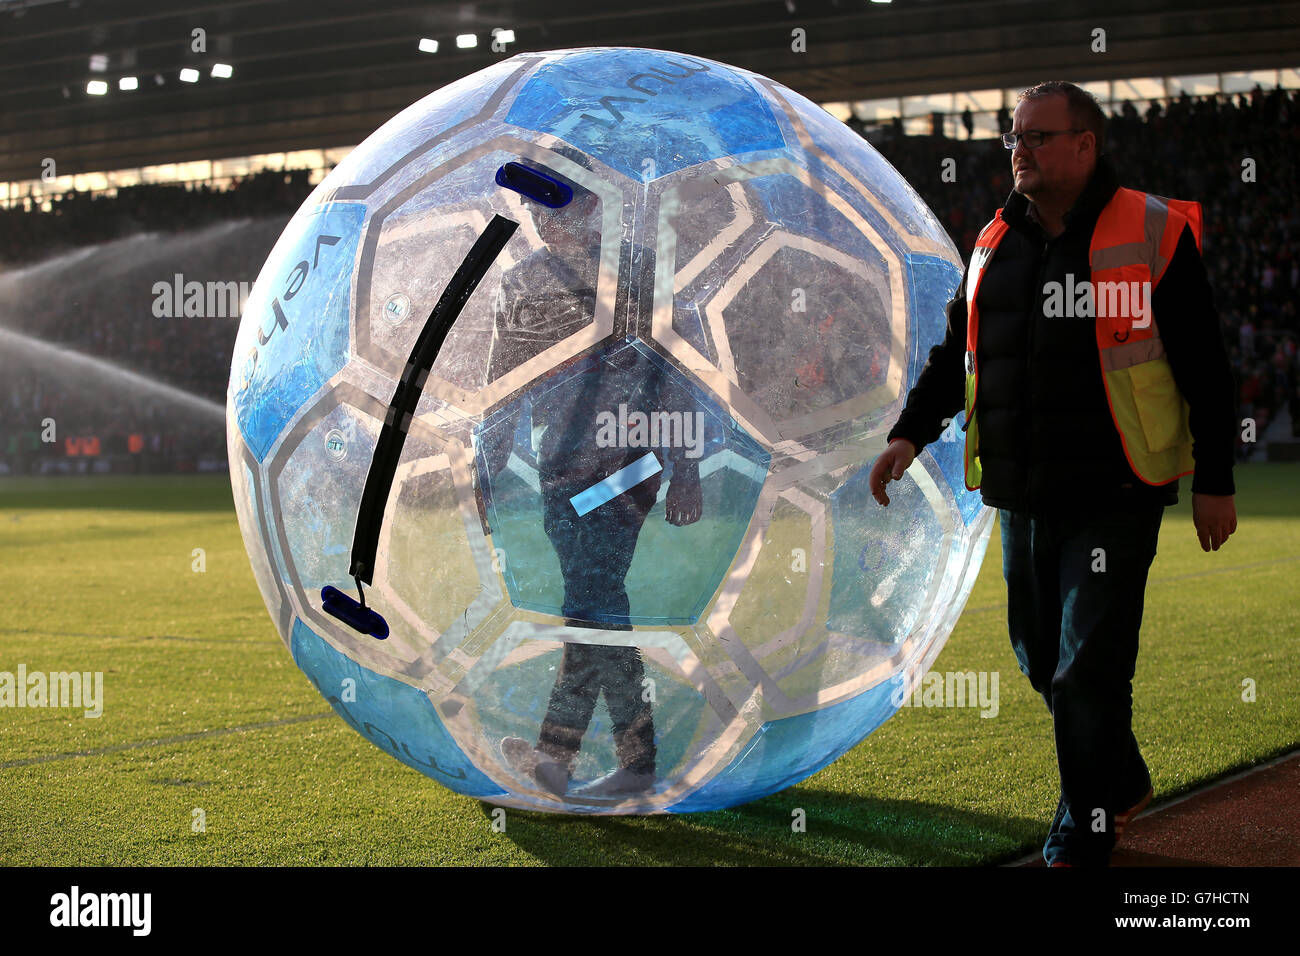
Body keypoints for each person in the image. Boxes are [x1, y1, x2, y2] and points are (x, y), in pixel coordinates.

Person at [869, 81, 1238, 866]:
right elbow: (958, 357)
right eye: (1014, 137)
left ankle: (1086, 826)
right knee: (1040, 657)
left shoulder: (1152, 232)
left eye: (1037, 136)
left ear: (1085, 145)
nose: (1019, 151)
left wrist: (1217, 477)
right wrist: (908, 434)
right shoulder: (995, 242)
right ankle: (1123, 773)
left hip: (1116, 491)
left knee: (1084, 670)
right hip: (1022, 493)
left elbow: (1206, 365)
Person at [479, 179, 703, 799]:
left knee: (595, 597)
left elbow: (678, 368)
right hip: (561, 468)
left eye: (556, 208)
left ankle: (621, 759)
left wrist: (685, 467)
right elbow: (505, 381)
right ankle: (582, 758)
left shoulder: (640, 274)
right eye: (532, 212)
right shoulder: (524, 282)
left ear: (592, 207)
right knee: (592, 605)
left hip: (628, 467)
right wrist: (487, 464)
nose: (543, 222)